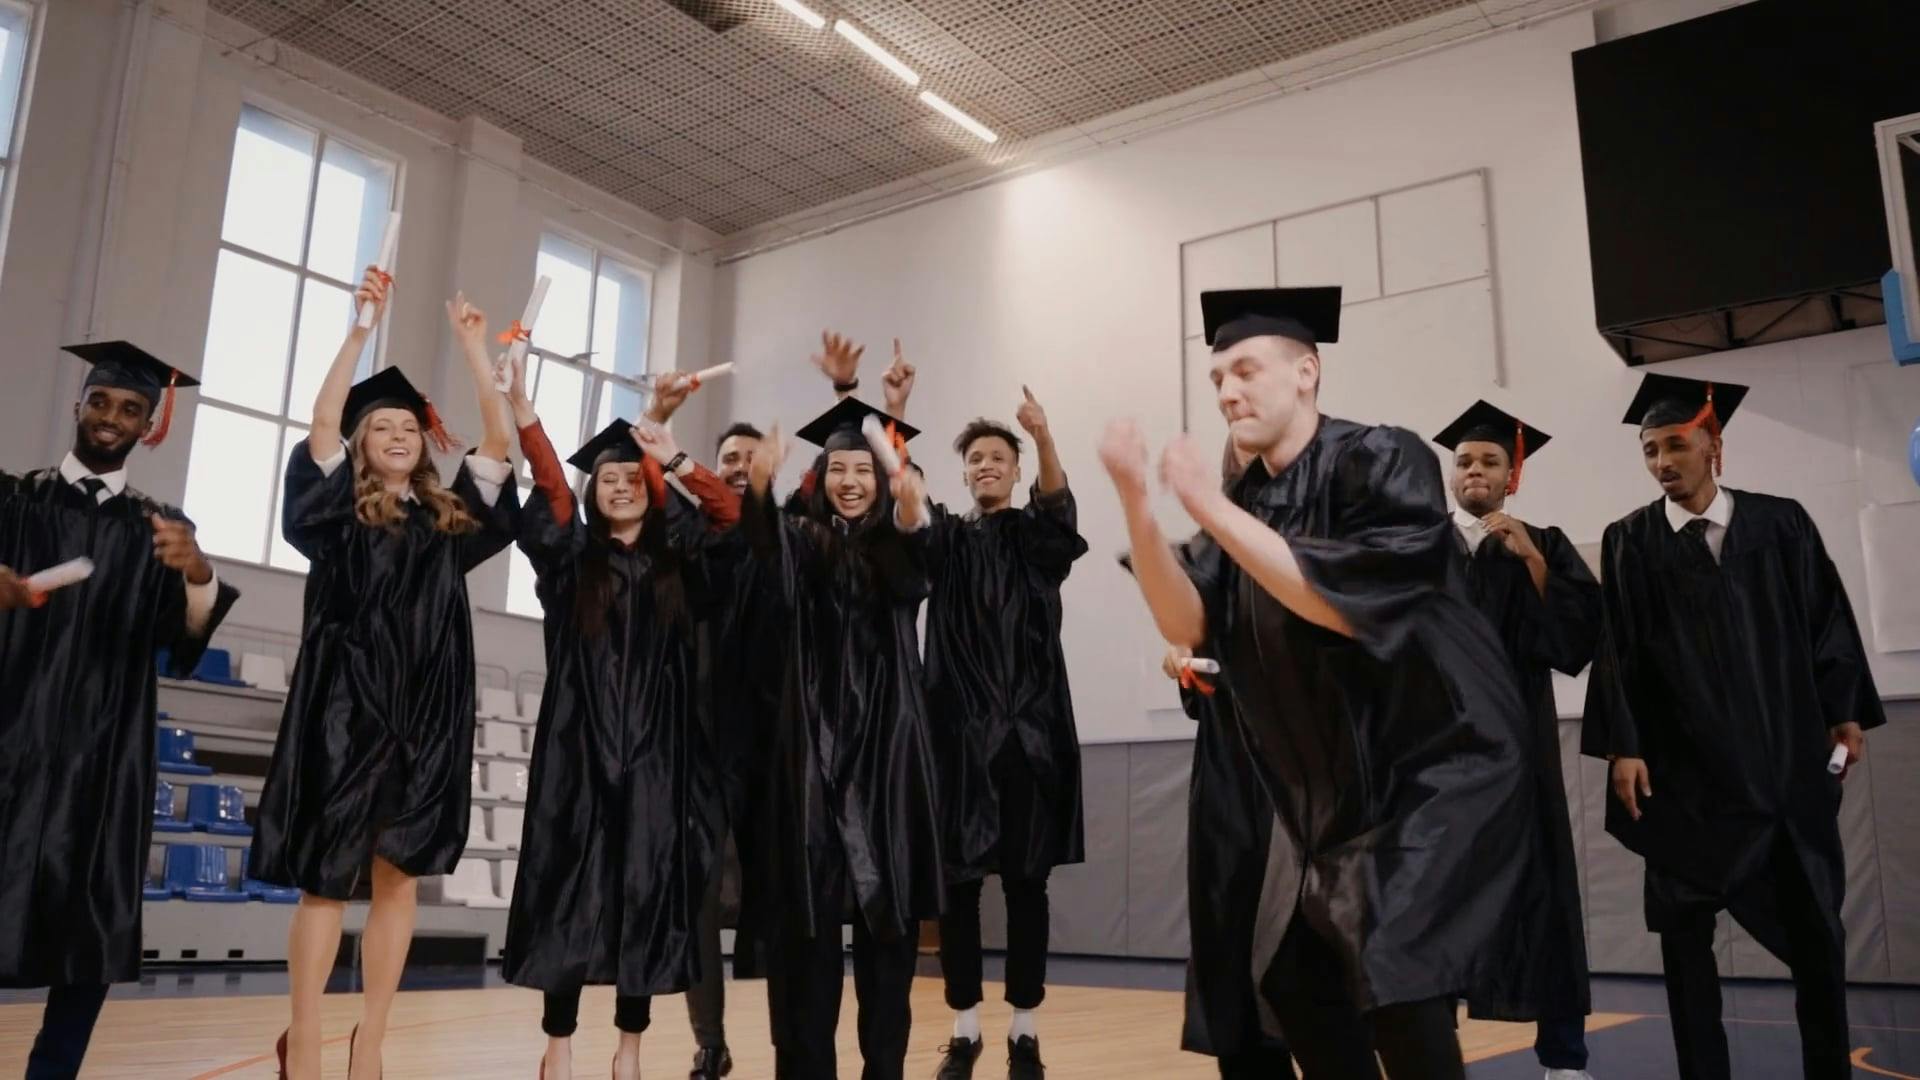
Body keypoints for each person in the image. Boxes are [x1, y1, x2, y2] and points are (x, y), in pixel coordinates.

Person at [1098, 286, 1535, 1079]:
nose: (1228, 390)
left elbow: (1339, 604)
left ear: (1306, 371)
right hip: (1332, 800)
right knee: (1294, 977)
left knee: (1393, 969)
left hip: (1435, 772)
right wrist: (1137, 503)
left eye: (1246, 370)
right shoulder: (1248, 499)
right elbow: (1188, 622)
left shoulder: (1380, 456)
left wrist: (1201, 500)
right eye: (1217, 378)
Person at [249, 273, 520, 1080]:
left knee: (398, 880)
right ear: (364, 443)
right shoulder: (335, 516)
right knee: (327, 884)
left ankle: (371, 1038)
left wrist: (477, 352)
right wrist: (359, 331)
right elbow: (322, 422)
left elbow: (497, 448)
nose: (399, 434)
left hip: (425, 715)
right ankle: (305, 1039)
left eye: (410, 425)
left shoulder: (448, 527)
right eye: (384, 426)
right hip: (342, 710)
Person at [1581, 374, 1881, 1080]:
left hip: (1783, 777)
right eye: (1650, 450)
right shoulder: (1631, 541)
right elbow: (1617, 648)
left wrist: (1844, 712)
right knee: (1686, 951)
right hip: (1687, 788)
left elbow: (1826, 619)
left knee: (1816, 941)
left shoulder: (1781, 525)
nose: (1662, 463)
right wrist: (1624, 746)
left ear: (1715, 444)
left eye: (1676, 445)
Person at [502, 344, 742, 1080]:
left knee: (644, 892)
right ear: (594, 493)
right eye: (606, 479)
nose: (619, 487)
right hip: (578, 751)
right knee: (568, 890)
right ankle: (558, 1041)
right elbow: (547, 492)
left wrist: (669, 453)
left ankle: (630, 1049)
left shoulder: (681, 565)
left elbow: (730, 514)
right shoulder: (572, 563)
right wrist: (523, 411)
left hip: (659, 757)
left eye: (629, 477)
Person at [0, 342, 238, 1080]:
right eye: (101, 402)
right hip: (9, 740)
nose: (111, 417)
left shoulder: (161, 530)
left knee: (91, 925)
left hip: (104, 756)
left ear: (147, 427)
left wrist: (198, 573)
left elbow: (182, 639)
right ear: (79, 407)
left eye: (130, 409)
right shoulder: (12, 501)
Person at [864, 354, 1088, 1080]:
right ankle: (964, 1028)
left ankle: (1024, 1030)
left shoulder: (1035, 540)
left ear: (1016, 470)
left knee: (1028, 887)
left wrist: (1045, 435)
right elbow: (905, 496)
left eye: (999, 457)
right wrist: (893, 412)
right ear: (963, 473)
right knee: (956, 889)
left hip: (1030, 738)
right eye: (976, 459)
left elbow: (1059, 503)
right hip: (955, 740)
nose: (987, 465)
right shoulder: (949, 543)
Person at [741, 395, 942, 1080]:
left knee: (889, 940)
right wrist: (762, 486)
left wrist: (903, 471)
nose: (850, 481)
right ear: (821, 479)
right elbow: (765, 551)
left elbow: (918, 530)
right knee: (807, 938)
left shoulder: (900, 547)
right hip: (811, 759)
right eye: (837, 470)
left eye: (863, 469)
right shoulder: (803, 541)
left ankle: (884, 1070)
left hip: (889, 756)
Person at [1434, 400, 1599, 1080]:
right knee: (1431, 902)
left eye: (1490, 461)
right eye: (1465, 460)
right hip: (1434, 760)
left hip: (1518, 759)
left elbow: (1573, 645)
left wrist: (1531, 559)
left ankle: (1564, 1060)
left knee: (1544, 896)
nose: (1475, 469)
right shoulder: (1420, 546)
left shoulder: (1544, 542)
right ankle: (1431, 1054)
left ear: (1513, 473)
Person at [1155, 440, 1297, 1080]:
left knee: (1307, 948)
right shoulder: (1207, 555)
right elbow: (1191, 648)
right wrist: (1183, 665)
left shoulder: (1317, 544)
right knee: (1231, 931)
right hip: (1232, 772)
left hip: (1313, 774)